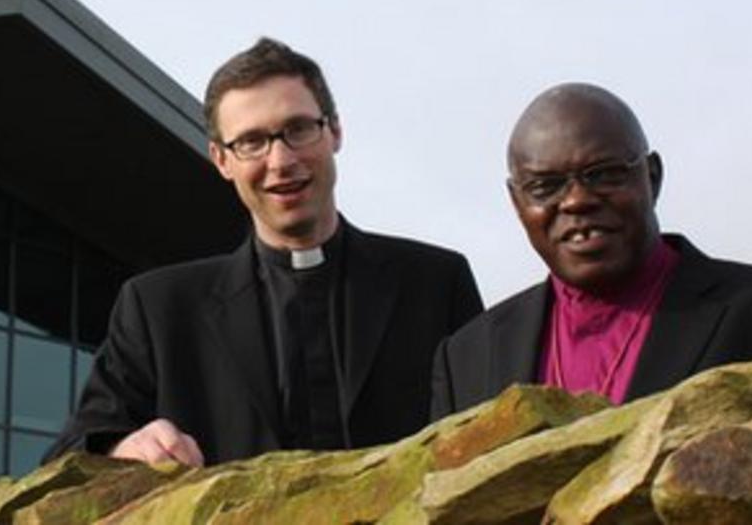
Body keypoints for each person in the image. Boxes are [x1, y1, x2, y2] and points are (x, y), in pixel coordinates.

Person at [49, 37, 483, 466]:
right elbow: (67, 456)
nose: (280, 160)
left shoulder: (436, 283)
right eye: (251, 142)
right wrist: (121, 449)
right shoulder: (158, 308)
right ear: (221, 160)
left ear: (334, 131)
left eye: (298, 129)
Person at [432, 83, 752, 418]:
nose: (577, 200)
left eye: (604, 174)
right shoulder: (468, 358)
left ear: (652, 177)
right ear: (517, 203)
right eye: (546, 186)